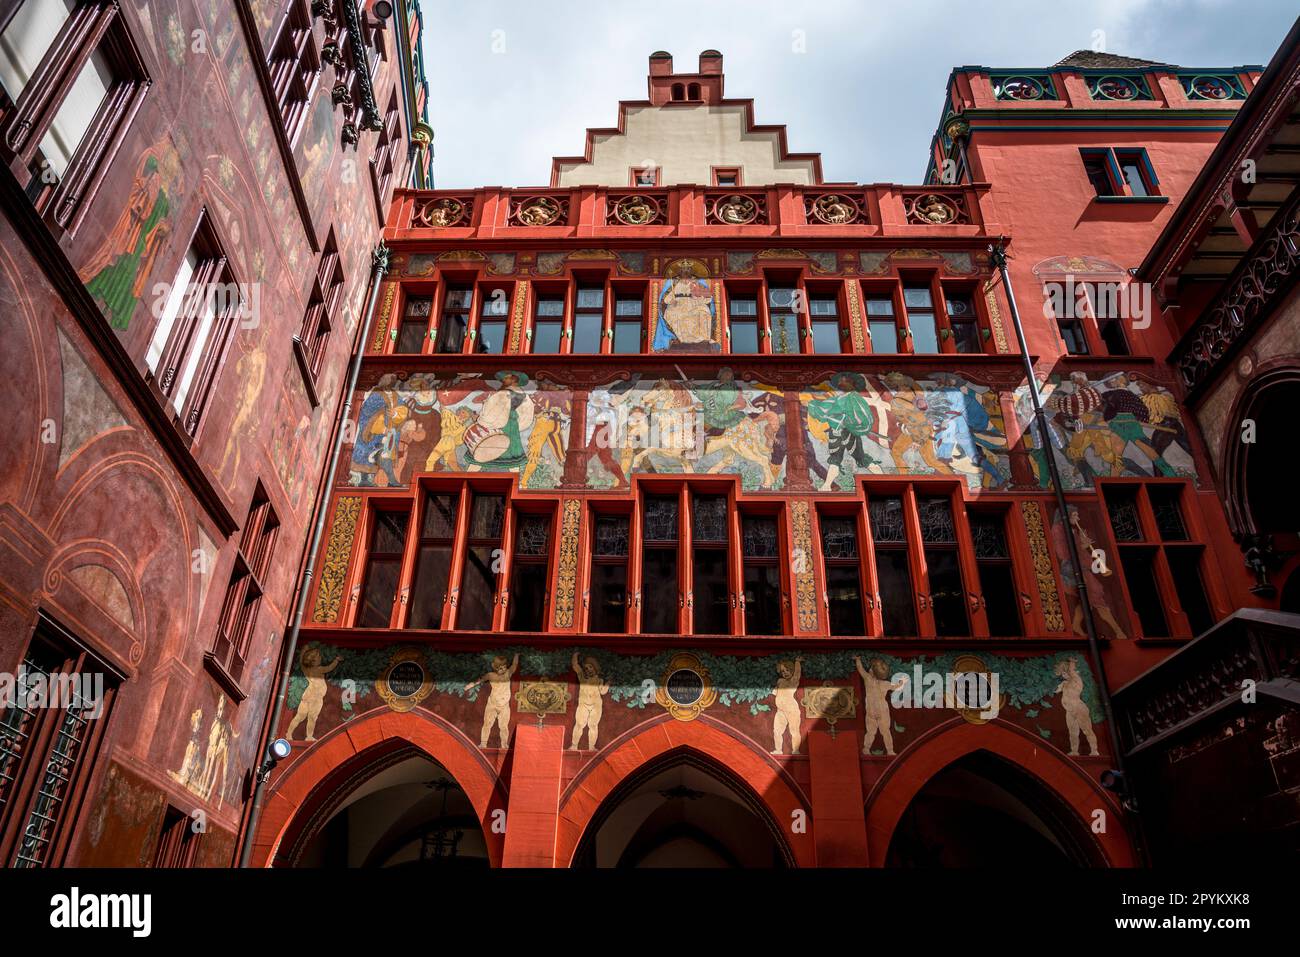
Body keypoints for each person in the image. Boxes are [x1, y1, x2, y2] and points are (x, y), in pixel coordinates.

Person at [286, 647, 341, 742]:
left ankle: (289, 734)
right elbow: (329, 668)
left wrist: (303, 651)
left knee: (300, 717)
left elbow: (301, 662)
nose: (320, 658)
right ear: (313, 660)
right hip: (316, 698)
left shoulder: (306, 670)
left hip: (308, 696)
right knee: (312, 718)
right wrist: (336, 660)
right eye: (318, 657)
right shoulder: (319, 669)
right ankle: (309, 736)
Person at [465, 654, 520, 748]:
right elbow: (480, 680)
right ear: (496, 668)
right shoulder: (491, 676)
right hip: (492, 704)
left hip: (504, 706)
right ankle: (483, 743)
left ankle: (504, 744)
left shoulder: (508, 673)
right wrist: (471, 685)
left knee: (503, 726)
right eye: (500, 668)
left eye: (504, 667)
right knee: (487, 724)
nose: (503, 669)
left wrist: (516, 655)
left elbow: (514, 665)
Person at [855, 656, 906, 756]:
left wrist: (858, 660)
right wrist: (902, 682)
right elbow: (896, 687)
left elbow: (860, 669)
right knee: (886, 732)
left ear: (872, 672)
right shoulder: (885, 684)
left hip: (871, 711)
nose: (869, 669)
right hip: (882, 711)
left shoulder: (868, 679)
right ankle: (890, 750)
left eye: (871, 668)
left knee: (870, 732)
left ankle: (866, 748)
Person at [1055, 657, 1099, 756]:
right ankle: (1074, 751)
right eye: (1063, 674)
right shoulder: (1065, 683)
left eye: (1066, 673)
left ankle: (1094, 750)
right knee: (1073, 732)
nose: (1064, 675)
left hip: (1079, 708)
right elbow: (1057, 690)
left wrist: (1071, 662)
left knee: (1087, 730)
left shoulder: (1076, 680)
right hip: (1069, 711)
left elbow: (1071, 671)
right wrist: (1059, 687)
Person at [570, 653, 610, 750]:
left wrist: (608, 683)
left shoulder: (599, 680)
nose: (588, 669)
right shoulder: (582, 677)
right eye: (586, 668)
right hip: (583, 704)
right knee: (579, 724)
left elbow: (603, 692)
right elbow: (575, 666)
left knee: (593, 725)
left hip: (596, 705)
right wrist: (575, 655)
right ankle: (574, 746)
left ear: (595, 668)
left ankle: (591, 747)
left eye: (590, 667)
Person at [771, 658, 803, 755]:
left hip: (791, 709)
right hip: (780, 710)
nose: (785, 673)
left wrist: (797, 662)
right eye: (783, 671)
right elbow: (776, 691)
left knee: (794, 730)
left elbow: (797, 674)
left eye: (787, 670)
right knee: (777, 730)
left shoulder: (793, 681)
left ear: (792, 670)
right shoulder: (780, 681)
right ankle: (778, 750)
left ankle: (795, 750)